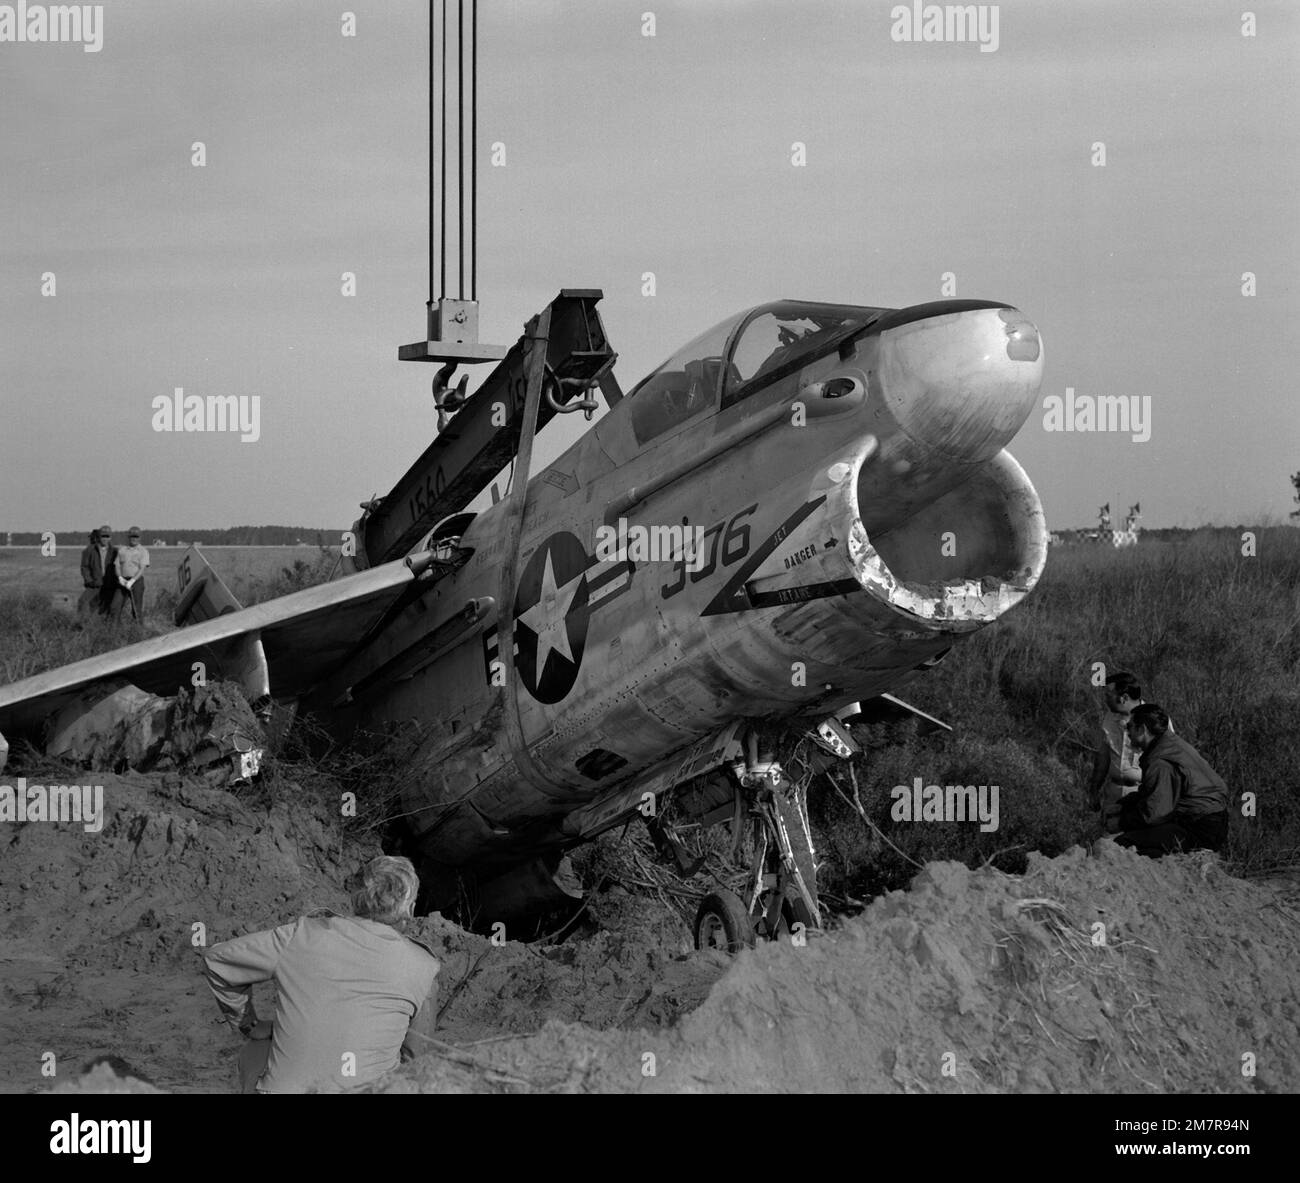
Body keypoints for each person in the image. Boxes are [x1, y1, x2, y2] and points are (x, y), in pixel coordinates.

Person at [202, 855, 440, 1093]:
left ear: (356, 896)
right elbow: (417, 1059)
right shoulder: (423, 966)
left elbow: (217, 960)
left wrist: (248, 1024)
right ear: (409, 908)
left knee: (256, 1048)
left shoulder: (300, 936)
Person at [1113, 704, 1230, 857]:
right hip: (1209, 820)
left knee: (1124, 843)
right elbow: (1153, 793)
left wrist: (1120, 822)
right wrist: (1123, 805)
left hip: (1199, 828)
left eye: (1129, 727)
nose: (1127, 732)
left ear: (1142, 730)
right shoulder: (1169, 743)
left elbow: (1155, 813)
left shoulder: (1160, 761)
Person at [111, 526, 150, 621]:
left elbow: (141, 569)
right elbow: (117, 565)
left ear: (140, 538)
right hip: (122, 582)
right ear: (128, 537)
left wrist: (132, 581)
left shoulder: (143, 551)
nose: (134, 539)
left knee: (136, 610)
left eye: (136, 537)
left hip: (136, 582)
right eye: (132, 536)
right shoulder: (122, 550)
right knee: (115, 606)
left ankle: (138, 628)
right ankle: (115, 628)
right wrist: (120, 578)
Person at [77, 527, 112, 614]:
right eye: (103, 536)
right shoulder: (89, 550)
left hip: (108, 584)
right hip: (94, 583)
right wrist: (89, 581)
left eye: (107, 536)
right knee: (84, 602)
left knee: (103, 606)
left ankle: (98, 621)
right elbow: (84, 567)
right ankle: (82, 621)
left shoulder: (114, 551)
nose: (104, 538)